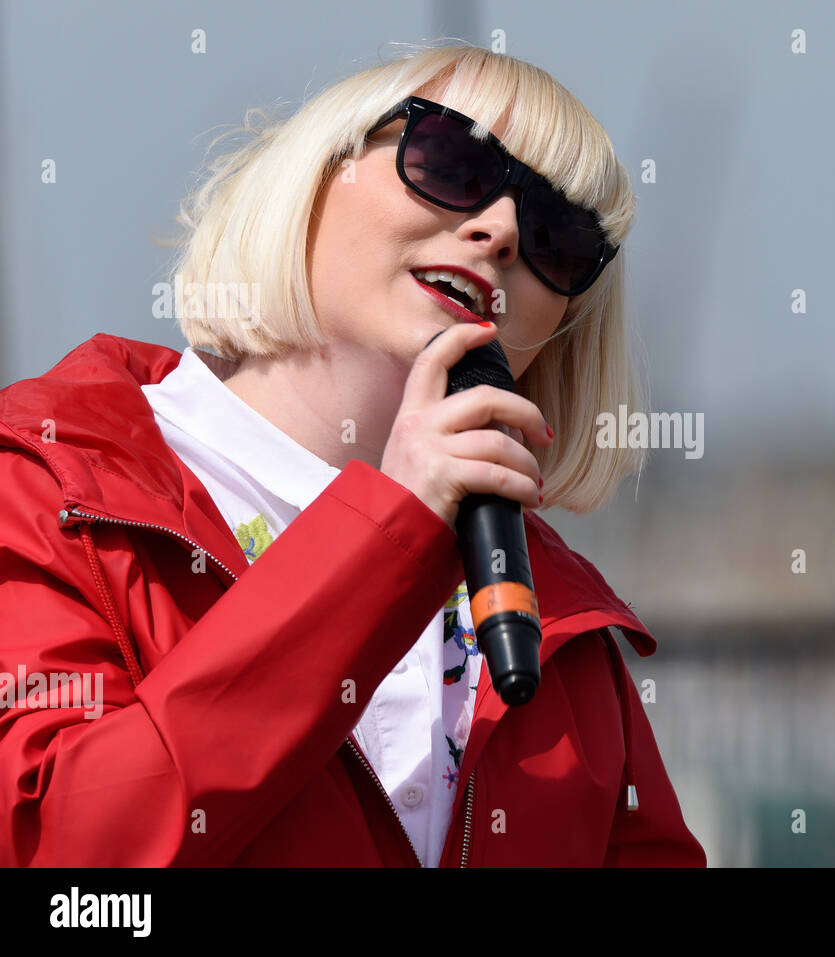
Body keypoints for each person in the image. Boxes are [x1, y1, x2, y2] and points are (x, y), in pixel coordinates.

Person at [0, 42, 705, 866]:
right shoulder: (49, 487)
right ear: (314, 172)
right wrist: (387, 535)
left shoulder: (559, 622)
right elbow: (61, 862)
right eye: (452, 161)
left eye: (560, 233)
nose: (503, 229)